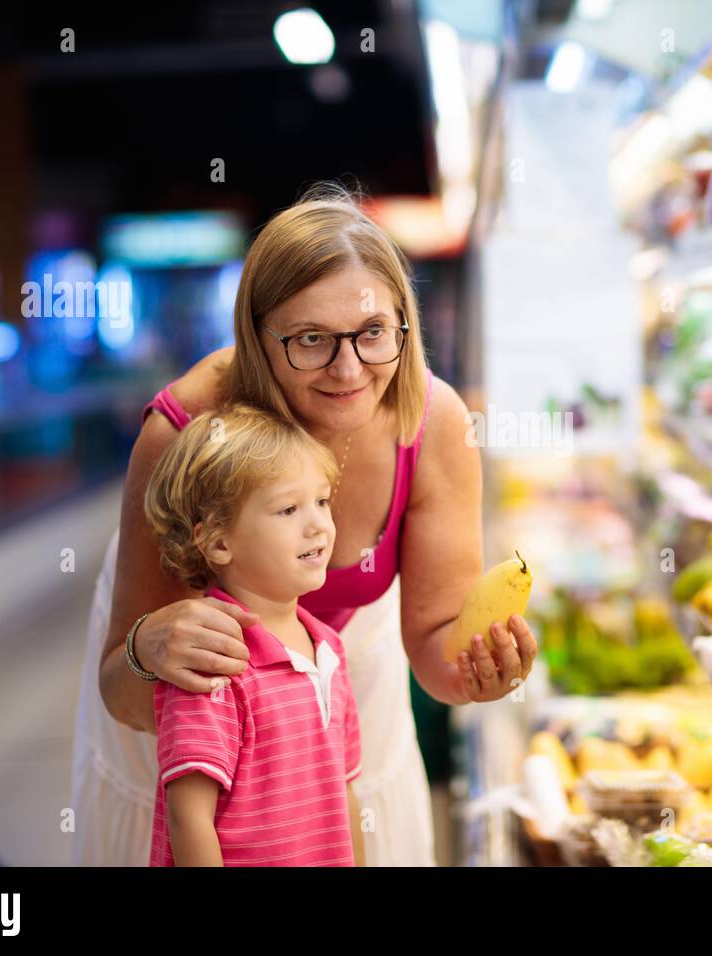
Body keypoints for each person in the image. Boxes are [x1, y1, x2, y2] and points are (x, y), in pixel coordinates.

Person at [71, 185, 538, 866]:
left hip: (338, 670)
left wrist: (477, 671)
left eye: (373, 333)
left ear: (404, 324)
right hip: (192, 718)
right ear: (257, 337)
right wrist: (148, 648)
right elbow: (123, 689)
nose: (349, 370)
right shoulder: (186, 430)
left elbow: (437, 644)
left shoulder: (433, 424)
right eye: (311, 340)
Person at [144, 404, 362, 866]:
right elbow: (190, 819)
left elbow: (344, 793)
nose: (318, 523)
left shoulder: (330, 650)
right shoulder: (214, 659)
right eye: (288, 508)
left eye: (322, 501)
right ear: (220, 542)